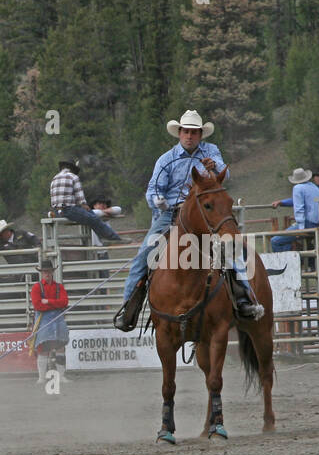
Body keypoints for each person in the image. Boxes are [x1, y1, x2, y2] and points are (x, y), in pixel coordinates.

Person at [113, 109, 264, 331]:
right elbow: (153, 190)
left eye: (194, 132)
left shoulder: (211, 151)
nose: (190, 136)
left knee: (230, 250)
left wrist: (215, 167)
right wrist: (159, 202)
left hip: (206, 212)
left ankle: (244, 299)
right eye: (186, 132)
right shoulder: (167, 159)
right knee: (144, 254)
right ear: (180, 133)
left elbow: (226, 175)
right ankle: (129, 308)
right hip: (171, 214)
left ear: (200, 135)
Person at [50, 159, 124, 244]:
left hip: (57, 211)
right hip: (69, 209)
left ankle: (109, 237)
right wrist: (85, 206)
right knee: (93, 219)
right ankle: (113, 238)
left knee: (92, 217)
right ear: (72, 169)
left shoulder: (54, 178)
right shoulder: (73, 177)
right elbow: (80, 198)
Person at [30, 258, 70, 384]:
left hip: (58, 320)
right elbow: (38, 306)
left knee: (60, 346)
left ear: (52, 272)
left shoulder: (59, 287)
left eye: (49, 271)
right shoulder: (36, 287)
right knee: (43, 348)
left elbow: (65, 302)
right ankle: (41, 377)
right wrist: (56, 304)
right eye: (44, 272)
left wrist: (48, 301)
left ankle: (62, 376)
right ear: (41, 273)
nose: (47, 274)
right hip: (43, 320)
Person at [273, 166, 319, 230]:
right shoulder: (312, 188)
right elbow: (298, 201)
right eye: (317, 176)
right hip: (317, 221)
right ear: (314, 177)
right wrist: (282, 202)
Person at [269, 168, 319, 252]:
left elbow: (299, 208)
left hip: (307, 224)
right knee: (306, 244)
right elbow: (297, 201)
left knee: (275, 241)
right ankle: (310, 263)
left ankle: (289, 262)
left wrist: (301, 229)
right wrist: (282, 202)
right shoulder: (313, 187)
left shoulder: (298, 188)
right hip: (318, 223)